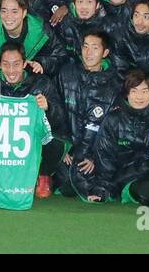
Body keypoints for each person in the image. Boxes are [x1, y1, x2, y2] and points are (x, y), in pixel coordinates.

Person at [72, 70, 149, 205]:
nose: (139, 96)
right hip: (131, 178)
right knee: (147, 193)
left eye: (144, 91)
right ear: (127, 94)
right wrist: (101, 190)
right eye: (134, 91)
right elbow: (105, 158)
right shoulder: (113, 120)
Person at [0, 42, 64, 199]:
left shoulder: (41, 83)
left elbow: (60, 119)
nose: (11, 70)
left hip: (29, 142)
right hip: (1, 143)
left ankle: (43, 175)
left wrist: (49, 107)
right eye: (6, 64)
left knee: (57, 142)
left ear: (25, 64)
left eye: (16, 64)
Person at [50, 30, 121, 187]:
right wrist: (62, 146)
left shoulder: (114, 85)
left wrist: (95, 157)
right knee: (66, 183)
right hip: (67, 149)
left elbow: (113, 129)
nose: (89, 53)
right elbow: (54, 112)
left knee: (81, 182)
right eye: (85, 47)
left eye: (95, 48)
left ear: (105, 52)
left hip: (95, 156)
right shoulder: (65, 74)